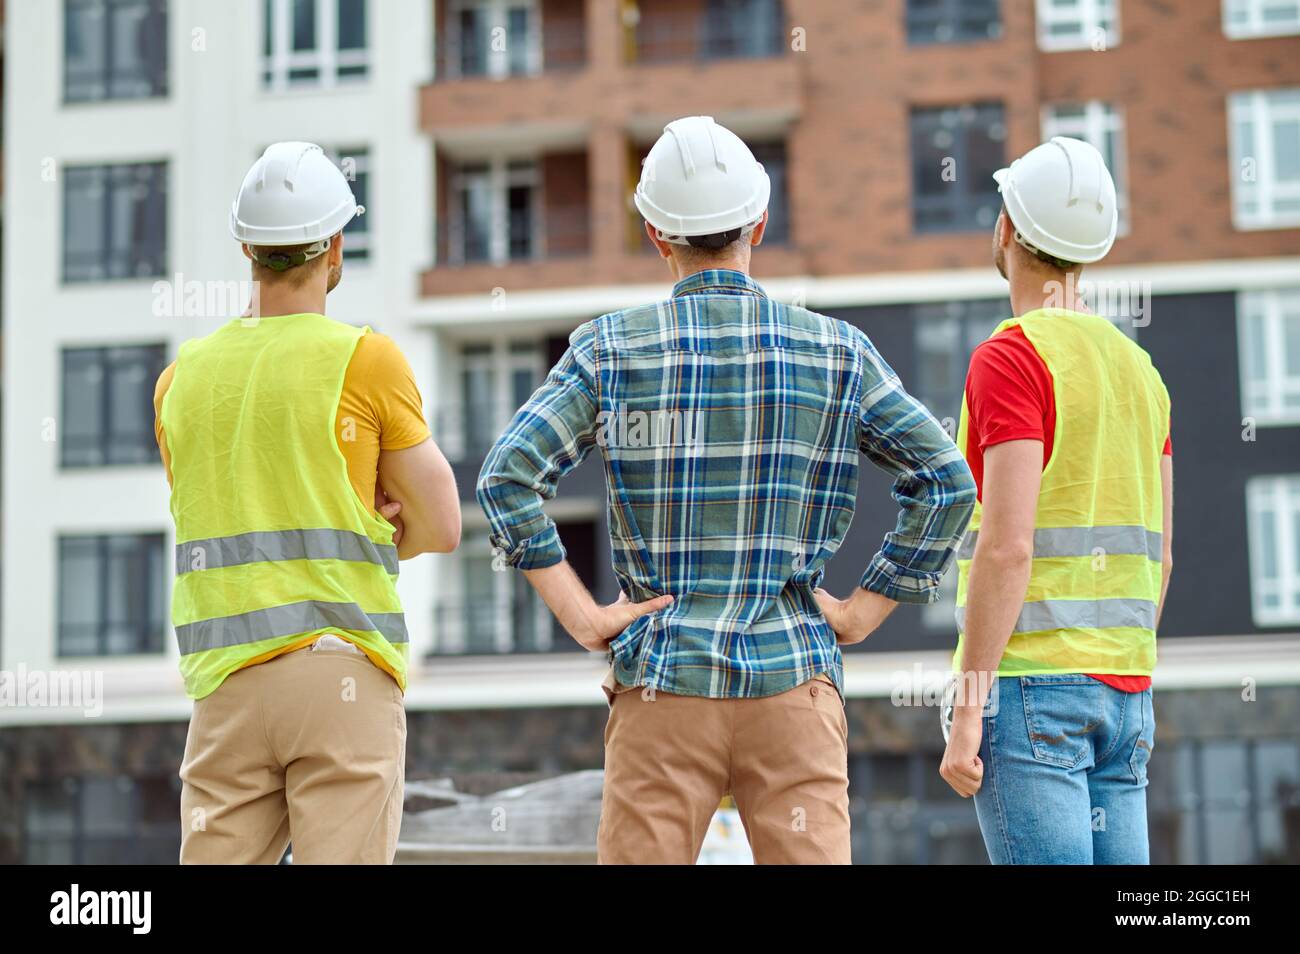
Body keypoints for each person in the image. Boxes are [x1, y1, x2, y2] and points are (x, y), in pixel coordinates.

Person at [477, 116, 976, 864]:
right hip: (795, 685)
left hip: (662, 687)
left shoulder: (609, 349)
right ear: (760, 223)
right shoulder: (837, 350)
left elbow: (505, 478)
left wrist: (582, 615)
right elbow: (946, 480)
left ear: (655, 233)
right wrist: (866, 608)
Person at [155, 142, 460, 864]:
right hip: (340, 671)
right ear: (335, 247)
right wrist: (376, 526)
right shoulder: (366, 358)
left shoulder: (179, 381)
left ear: (246, 249)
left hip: (225, 685)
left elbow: (228, 514)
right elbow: (442, 525)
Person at [939, 137, 1174, 865]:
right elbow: (1160, 557)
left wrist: (969, 705)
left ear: (1005, 230)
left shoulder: (1011, 359)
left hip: (1032, 691)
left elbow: (1007, 546)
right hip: (1127, 693)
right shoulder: (1143, 372)